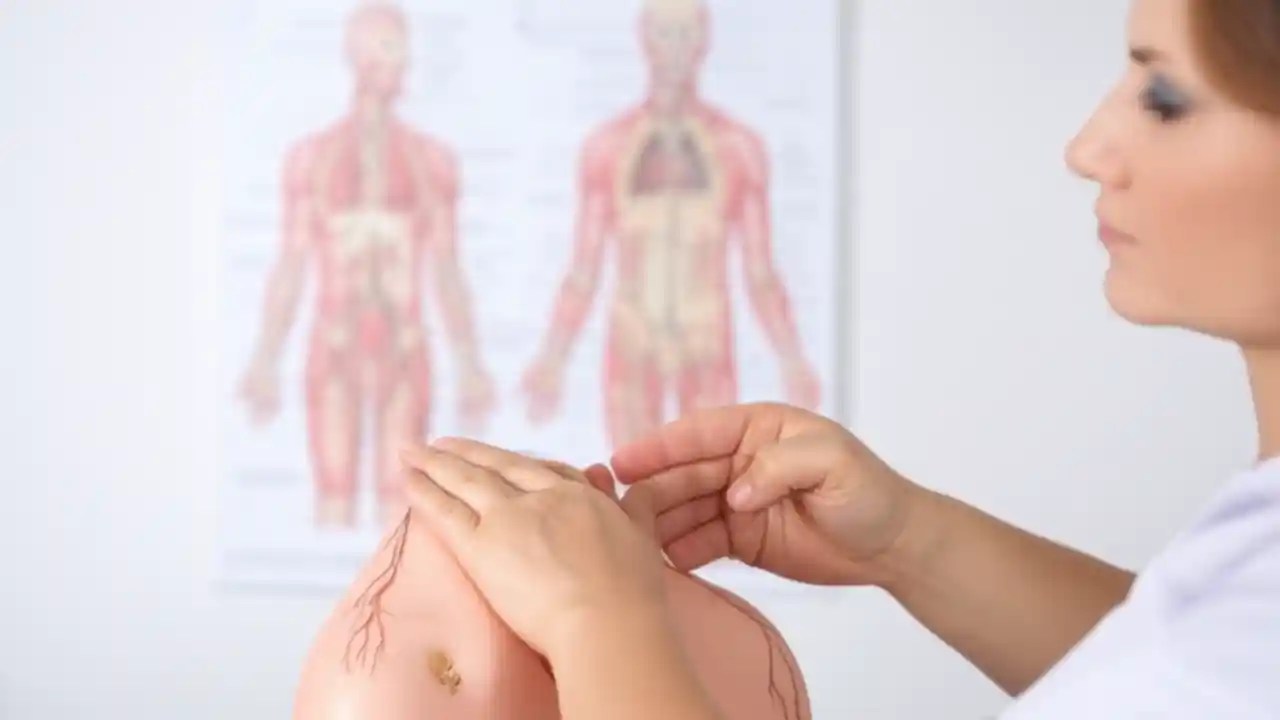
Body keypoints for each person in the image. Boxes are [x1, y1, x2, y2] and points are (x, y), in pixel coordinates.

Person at [399, 0, 1280, 717]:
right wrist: (907, 543)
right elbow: (1179, 667)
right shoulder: (1240, 601)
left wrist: (597, 621)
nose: (1086, 149)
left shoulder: (734, 152)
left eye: (1166, 96)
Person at [238, 1, 495, 529]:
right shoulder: (311, 159)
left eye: (402, 48)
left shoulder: (432, 162)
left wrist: (470, 363)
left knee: (401, 505)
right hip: (335, 345)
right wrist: (264, 359)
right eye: (388, 47)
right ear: (357, 55)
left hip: (404, 345)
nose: (401, 61)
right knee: (332, 496)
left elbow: (446, 269)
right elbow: (291, 264)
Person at [521, 0, 820, 450]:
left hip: (706, 343)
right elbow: (584, 270)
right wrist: (553, 358)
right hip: (632, 342)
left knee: (710, 481)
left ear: (704, 40)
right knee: (630, 479)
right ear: (644, 38)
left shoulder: (740, 148)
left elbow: (760, 272)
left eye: (687, 33)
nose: (676, 48)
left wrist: (792, 359)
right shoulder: (607, 147)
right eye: (664, 32)